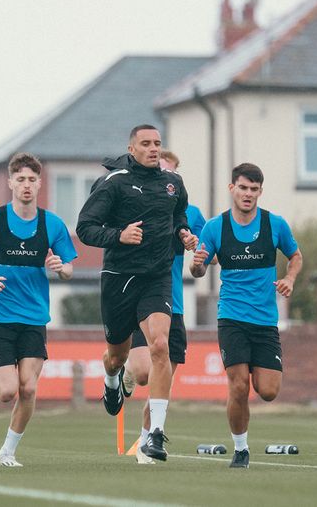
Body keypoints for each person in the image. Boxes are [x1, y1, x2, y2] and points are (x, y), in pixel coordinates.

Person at [76, 124, 198, 462]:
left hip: (156, 278)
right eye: (146, 143)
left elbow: (179, 218)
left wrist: (185, 235)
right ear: (132, 148)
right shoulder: (114, 183)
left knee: (160, 345)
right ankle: (112, 377)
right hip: (119, 279)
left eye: (157, 143)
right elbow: (85, 228)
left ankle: (155, 435)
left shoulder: (173, 184)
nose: (153, 148)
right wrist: (119, 235)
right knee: (117, 354)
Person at [0, 152, 77, 468]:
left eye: (32, 180)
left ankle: (8, 452)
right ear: (10, 182)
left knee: (28, 388)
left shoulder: (50, 223)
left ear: (40, 184)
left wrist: (58, 266)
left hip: (34, 318)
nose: (26, 185)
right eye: (20, 179)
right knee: (6, 392)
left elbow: (68, 268)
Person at [191, 163, 302, 469]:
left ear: (260, 192)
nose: (248, 194)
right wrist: (198, 263)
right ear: (232, 189)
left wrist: (290, 279)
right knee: (238, 385)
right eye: (243, 188)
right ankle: (241, 448)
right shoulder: (216, 228)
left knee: (267, 391)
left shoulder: (274, 225)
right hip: (232, 316)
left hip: (265, 320)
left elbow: (296, 256)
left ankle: (258, 377)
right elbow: (197, 269)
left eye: (254, 189)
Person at [120, 150, 206, 465]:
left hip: (175, 305)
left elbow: (207, 251)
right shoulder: (135, 204)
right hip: (141, 301)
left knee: (161, 381)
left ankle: (146, 443)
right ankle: (126, 370)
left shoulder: (190, 213)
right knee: (143, 372)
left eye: (169, 172)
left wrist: (198, 253)